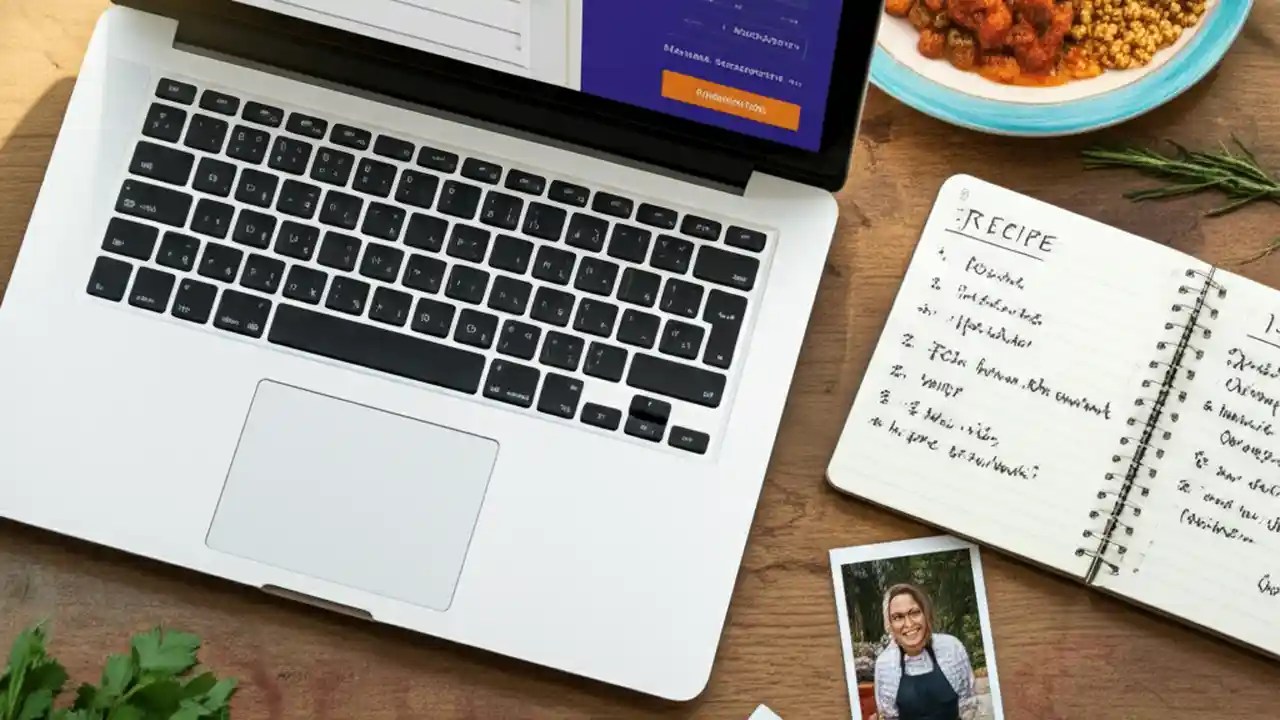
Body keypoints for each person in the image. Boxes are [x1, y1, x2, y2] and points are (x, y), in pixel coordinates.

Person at [872, 583, 977, 720]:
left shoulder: (951, 648)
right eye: (898, 617)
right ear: (890, 625)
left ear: (926, 614)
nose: (908, 624)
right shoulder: (885, 665)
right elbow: (889, 715)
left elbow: (968, 705)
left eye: (914, 613)